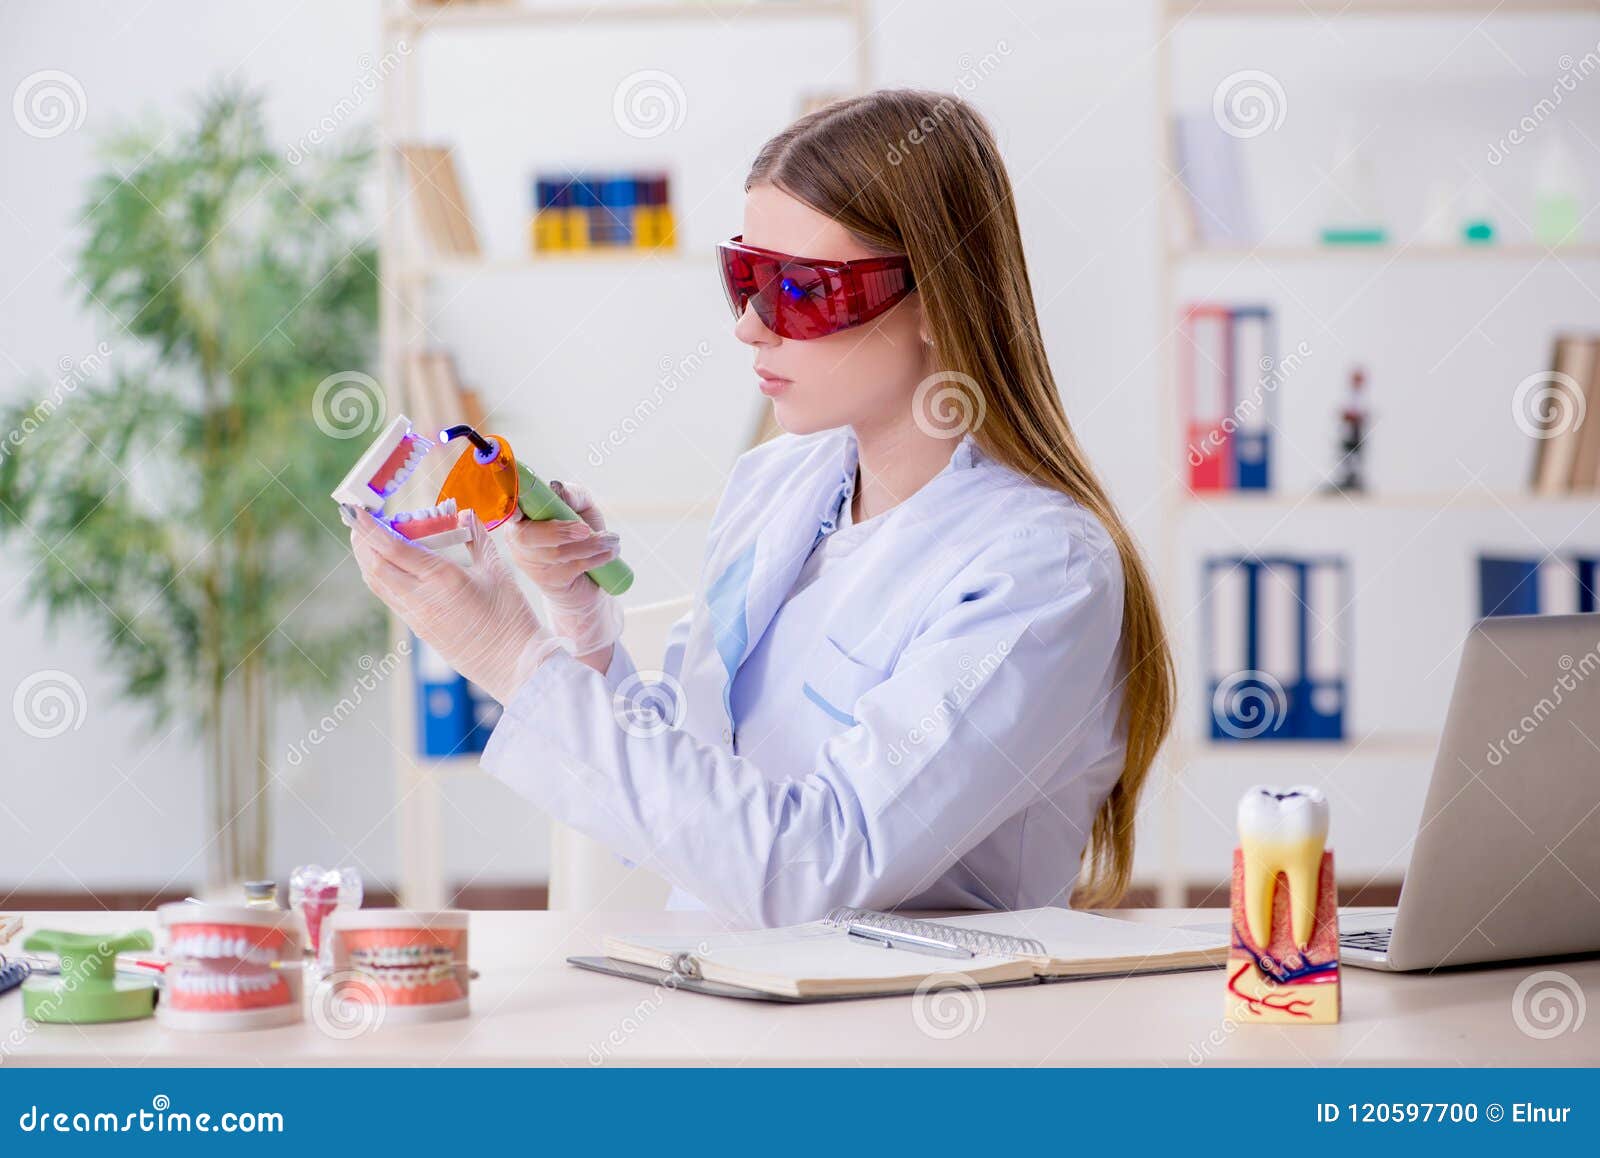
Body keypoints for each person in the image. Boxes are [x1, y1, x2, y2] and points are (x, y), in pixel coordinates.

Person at [349, 89, 1174, 928]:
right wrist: (582, 630)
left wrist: (505, 656)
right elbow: (695, 801)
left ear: (936, 300)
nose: (749, 326)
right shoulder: (781, 481)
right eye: (743, 275)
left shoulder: (1039, 569)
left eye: (801, 290)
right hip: (722, 984)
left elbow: (814, 870)